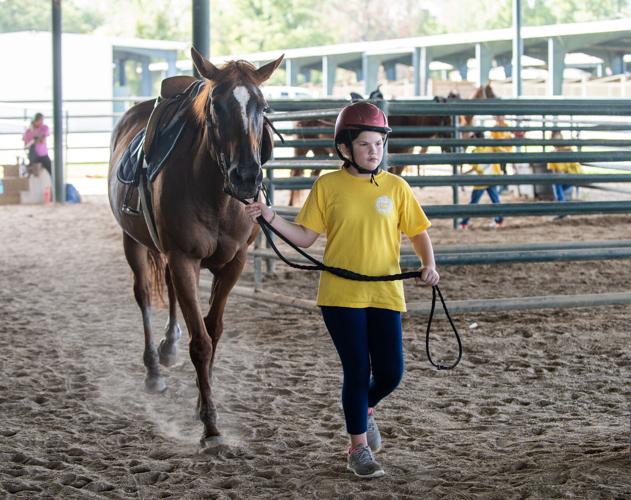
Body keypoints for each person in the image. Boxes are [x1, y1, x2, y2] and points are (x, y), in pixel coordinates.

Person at [245, 101, 439, 479]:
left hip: (385, 293)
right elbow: (305, 235)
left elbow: (418, 232)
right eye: (366, 144)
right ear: (345, 148)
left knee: (391, 373)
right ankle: (358, 448)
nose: (374, 151)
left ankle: (364, 411)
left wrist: (429, 265)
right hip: (340, 295)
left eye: (379, 144)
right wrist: (270, 216)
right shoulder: (327, 186)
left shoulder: (396, 187)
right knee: (356, 369)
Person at [459, 131, 504, 229]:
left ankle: (464, 222)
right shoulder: (488, 147)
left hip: (482, 180)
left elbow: (475, 167)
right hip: (491, 178)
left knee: (475, 202)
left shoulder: (476, 151)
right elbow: (502, 151)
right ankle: (499, 220)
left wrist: (465, 173)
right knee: (495, 201)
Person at [547, 130, 583, 203]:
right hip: (563, 178)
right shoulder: (552, 154)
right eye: (554, 139)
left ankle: (561, 205)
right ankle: (561, 204)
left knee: (557, 186)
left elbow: (574, 165)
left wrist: (565, 172)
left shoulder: (568, 149)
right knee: (557, 184)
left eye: (558, 138)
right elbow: (553, 171)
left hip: (574, 175)